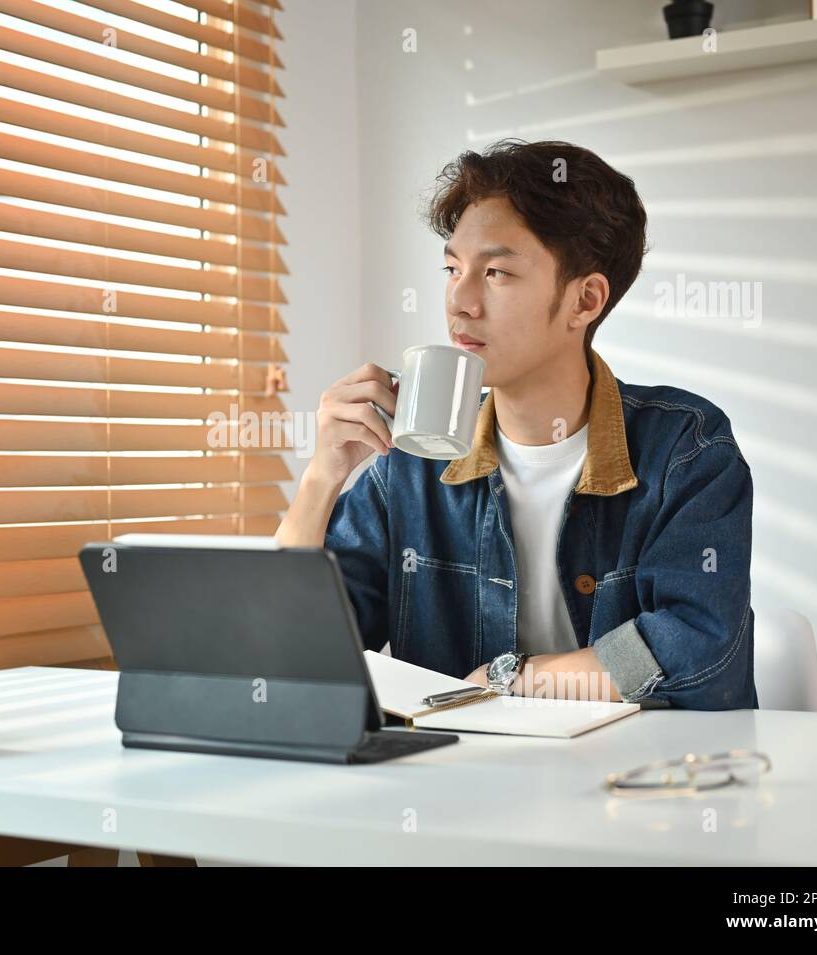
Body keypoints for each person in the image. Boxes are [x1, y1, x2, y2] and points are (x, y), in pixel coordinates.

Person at [275, 140, 756, 710]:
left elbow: (693, 641)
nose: (459, 300)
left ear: (584, 300)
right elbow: (291, 651)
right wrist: (319, 482)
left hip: (644, 781)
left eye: (496, 272)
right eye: (453, 268)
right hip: (466, 783)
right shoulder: (411, 465)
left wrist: (515, 678)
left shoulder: (685, 448)